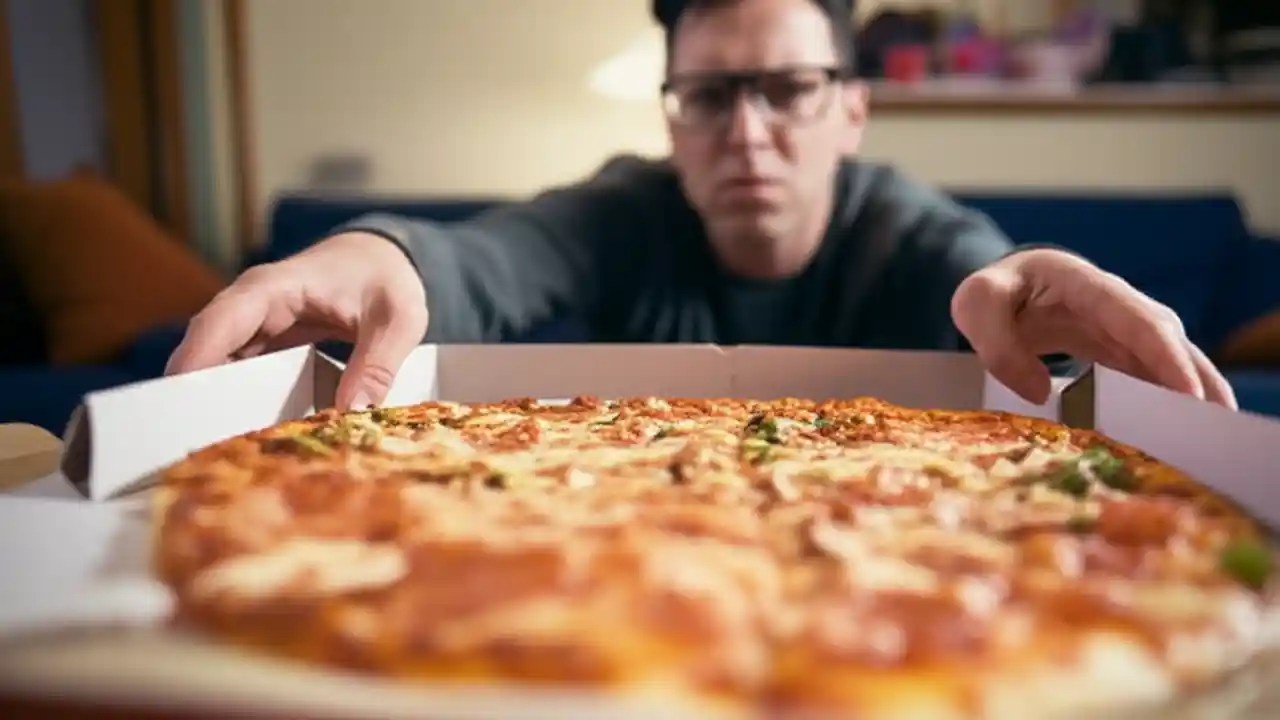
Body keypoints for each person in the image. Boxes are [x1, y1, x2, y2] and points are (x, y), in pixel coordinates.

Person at [166, 0, 1236, 412]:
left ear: (850, 110)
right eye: (711, 95)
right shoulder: (624, 211)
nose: (748, 130)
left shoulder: (901, 225)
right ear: (671, 116)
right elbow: (485, 261)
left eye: (786, 89)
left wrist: (1034, 283)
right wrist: (378, 253)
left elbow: (985, 277)